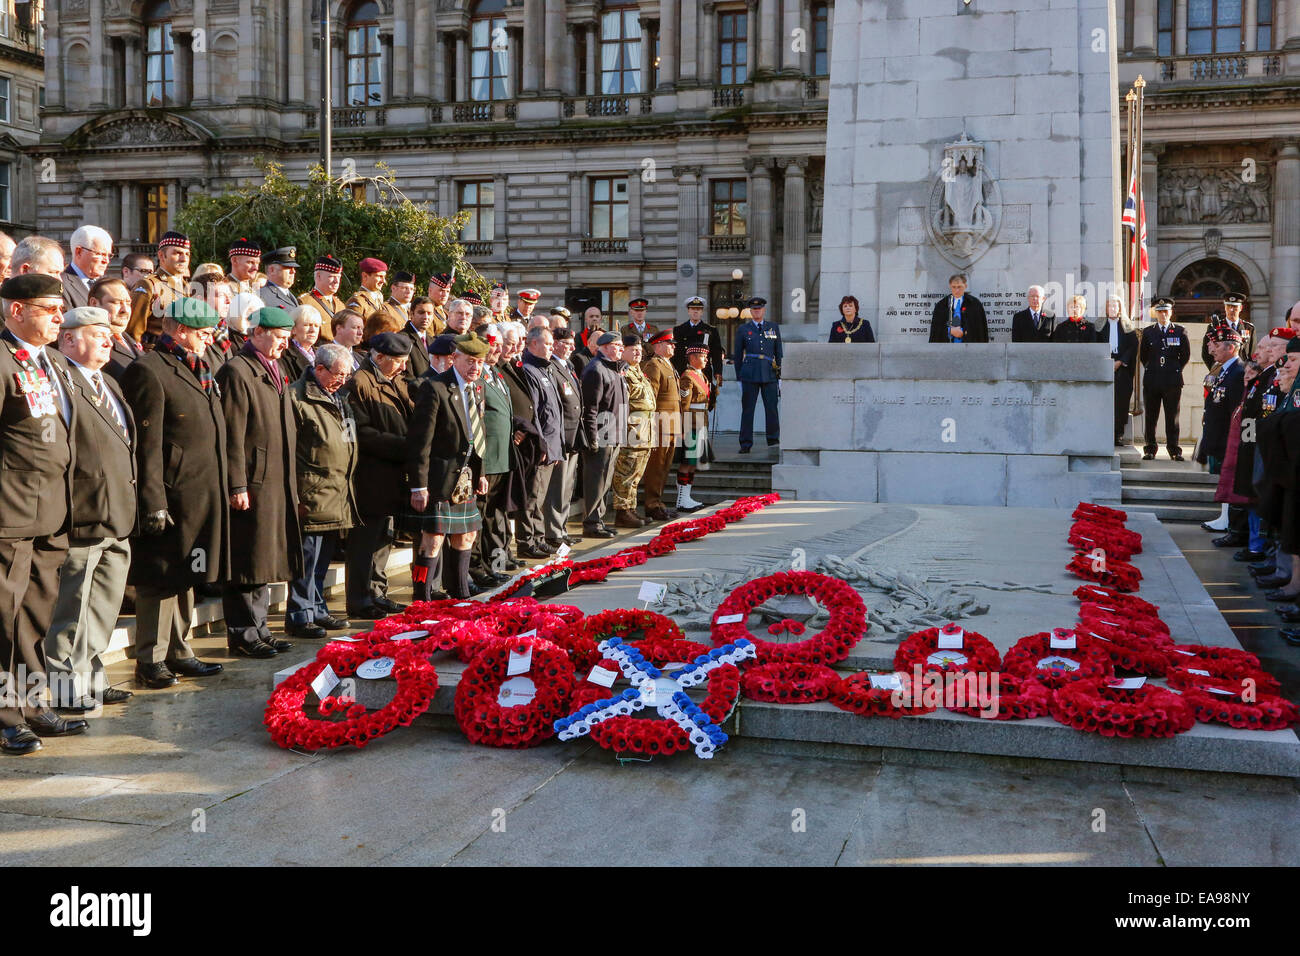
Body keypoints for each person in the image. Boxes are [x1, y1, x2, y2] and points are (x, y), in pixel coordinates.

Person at [120, 297, 229, 688]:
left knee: (184, 574)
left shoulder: (199, 365)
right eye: (201, 333)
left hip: (199, 489)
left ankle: (179, 651)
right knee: (159, 578)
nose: (207, 340)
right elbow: (147, 443)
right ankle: (151, 658)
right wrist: (153, 500)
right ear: (180, 331)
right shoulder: (150, 369)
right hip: (169, 490)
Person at [0, 273, 87, 753]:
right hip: (9, 516)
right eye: (50, 308)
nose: (60, 316)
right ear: (17, 310)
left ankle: (34, 705)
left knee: (34, 618)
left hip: (52, 514)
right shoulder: (1, 360)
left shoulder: (52, 360)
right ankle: (7, 717)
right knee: (4, 621)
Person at [45, 307, 137, 711]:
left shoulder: (109, 383)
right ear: (67, 339)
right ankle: (66, 687)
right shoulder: (60, 382)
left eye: (108, 333)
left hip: (118, 512)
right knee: (72, 608)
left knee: (103, 606)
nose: (107, 339)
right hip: (84, 513)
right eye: (96, 333)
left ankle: (93, 678)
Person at [217, 306, 303, 658]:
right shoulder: (238, 371)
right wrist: (237, 484)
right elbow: (232, 433)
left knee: (264, 558)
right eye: (279, 338)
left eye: (286, 339)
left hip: (276, 479)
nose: (284, 345)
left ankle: (261, 628)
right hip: (252, 480)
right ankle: (242, 633)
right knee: (246, 558)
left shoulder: (274, 366)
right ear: (258, 334)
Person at [405, 332, 493, 601]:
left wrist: (481, 473)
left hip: (466, 479)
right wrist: (418, 486)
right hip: (438, 480)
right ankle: (422, 597)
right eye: (469, 361)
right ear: (454, 359)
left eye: (479, 362)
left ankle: (459, 594)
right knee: (432, 542)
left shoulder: (479, 388)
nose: (475, 368)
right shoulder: (435, 388)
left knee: (466, 536)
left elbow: (479, 434)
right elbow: (420, 442)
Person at [287, 343, 358, 639]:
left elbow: (349, 434)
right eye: (338, 374)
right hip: (312, 489)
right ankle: (299, 615)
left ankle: (317, 609)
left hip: (338, 489)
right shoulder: (297, 396)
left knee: (322, 557)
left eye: (346, 374)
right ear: (319, 369)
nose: (343, 379)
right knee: (307, 557)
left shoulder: (339, 395)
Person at [342, 332, 412, 619]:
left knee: (385, 538)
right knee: (364, 543)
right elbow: (362, 432)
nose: (403, 368)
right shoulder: (359, 383)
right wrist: (404, 446)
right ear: (379, 357)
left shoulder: (394, 380)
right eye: (398, 361)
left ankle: (377, 592)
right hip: (370, 476)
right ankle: (359, 599)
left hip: (393, 475)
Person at [472, 325, 517, 586]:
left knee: (493, 516)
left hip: (502, 457)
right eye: (492, 342)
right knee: (480, 517)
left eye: (500, 343)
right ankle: (477, 566)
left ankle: (490, 564)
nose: (498, 348)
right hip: (486, 459)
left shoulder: (497, 374)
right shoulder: (477, 378)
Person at [1198, 325, 1248, 547]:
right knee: (1223, 476)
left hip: (1228, 435)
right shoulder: (1223, 369)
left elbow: (1236, 409)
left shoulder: (1238, 371)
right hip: (1218, 433)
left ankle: (1228, 519)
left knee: (1230, 478)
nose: (1212, 349)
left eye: (1217, 345)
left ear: (1231, 347)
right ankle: (1224, 517)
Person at [519, 326, 566, 548]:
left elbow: (554, 411)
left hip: (552, 444)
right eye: (547, 344)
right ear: (533, 344)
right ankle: (529, 541)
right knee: (533, 497)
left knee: (541, 495)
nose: (552, 348)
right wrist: (542, 445)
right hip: (541, 446)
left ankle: (538, 538)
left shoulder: (545, 369)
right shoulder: (529, 370)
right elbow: (534, 412)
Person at [580, 331, 628, 538]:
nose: (621, 350)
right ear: (606, 347)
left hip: (614, 433)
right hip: (601, 434)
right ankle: (591, 523)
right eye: (618, 346)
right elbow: (590, 408)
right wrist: (592, 438)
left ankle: (598, 519)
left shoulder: (613, 369)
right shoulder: (596, 369)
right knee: (596, 480)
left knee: (605, 480)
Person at [544, 327, 583, 547]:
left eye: (572, 344)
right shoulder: (551, 366)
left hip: (572, 434)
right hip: (560, 435)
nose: (571, 348)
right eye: (567, 344)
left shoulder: (567, 365)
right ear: (556, 343)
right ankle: (553, 531)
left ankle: (562, 527)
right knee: (557, 487)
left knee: (568, 486)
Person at [1139, 297, 1191, 461]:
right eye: (1160, 311)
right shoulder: (1148, 332)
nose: (1163, 314)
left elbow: (1185, 355)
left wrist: (1174, 370)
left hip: (1172, 381)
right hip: (1153, 379)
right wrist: (1154, 367)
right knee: (1151, 416)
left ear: (1171, 312)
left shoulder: (1180, 331)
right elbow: (1143, 356)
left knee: (1172, 417)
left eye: (1166, 311)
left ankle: (1174, 449)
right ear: (1155, 313)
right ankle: (1150, 448)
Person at [612, 335, 656, 527]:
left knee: (636, 475)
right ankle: (622, 512)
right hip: (631, 432)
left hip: (644, 431)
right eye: (633, 349)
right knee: (625, 473)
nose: (638, 352)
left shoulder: (640, 372)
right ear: (623, 351)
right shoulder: (622, 372)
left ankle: (631, 509)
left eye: (640, 349)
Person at [641, 329, 681, 522]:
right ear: (658, 345)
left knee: (664, 467)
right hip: (660, 425)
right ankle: (651, 505)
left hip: (671, 425)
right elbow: (651, 398)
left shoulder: (667, 364)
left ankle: (659, 503)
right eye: (669, 343)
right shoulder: (654, 365)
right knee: (656, 467)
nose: (673, 346)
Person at [734, 296, 782, 452]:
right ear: (750, 311)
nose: (757, 311)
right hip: (749, 373)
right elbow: (737, 354)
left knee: (772, 409)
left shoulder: (773, 327)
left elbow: (778, 352)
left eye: (759, 308)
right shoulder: (743, 329)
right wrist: (739, 377)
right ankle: (745, 443)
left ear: (764, 310)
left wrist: (780, 375)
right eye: (754, 309)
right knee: (748, 410)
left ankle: (773, 440)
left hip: (769, 372)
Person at [127, 231, 189, 347]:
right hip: (154, 355)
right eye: (177, 253)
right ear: (161, 255)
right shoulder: (148, 285)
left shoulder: (188, 288)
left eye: (187, 254)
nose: (184, 259)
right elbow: (134, 332)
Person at [677, 345, 713, 512]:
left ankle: (687, 496)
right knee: (687, 461)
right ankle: (682, 499)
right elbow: (684, 404)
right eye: (702, 356)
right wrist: (683, 427)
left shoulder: (702, 376)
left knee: (694, 462)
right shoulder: (687, 377)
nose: (706, 359)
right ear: (692, 358)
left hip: (701, 421)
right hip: (691, 422)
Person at [672, 295, 725, 404]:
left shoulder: (711, 331)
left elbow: (716, 352)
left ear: (702, 312)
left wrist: (718, 372)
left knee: (703, 401)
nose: (695, 312)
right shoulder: (678, 330)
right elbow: (674, 353)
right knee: (685, 402)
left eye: (698, 309)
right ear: (688, 311)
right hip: (684, 370)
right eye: (693, 309)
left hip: (703, 371)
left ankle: (702, 421)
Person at [1103, 295, 1139, 446]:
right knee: (1104, 402)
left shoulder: (1127, 326)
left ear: (1119, 308)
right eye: (1109, 306)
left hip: (1122, 367)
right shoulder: (1099, 326)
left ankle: (1118, 434)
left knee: (1121, 402)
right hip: (1103, 365)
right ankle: (1103, 433)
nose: (1112, 309)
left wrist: (1120, 361)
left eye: (1115, 306)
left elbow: (1133, 346)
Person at [90, 277, 141, 381]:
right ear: (94, 303)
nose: (125, 310)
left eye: (128, 303)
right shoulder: (91, 343)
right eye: (117, 302)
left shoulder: (128, 339)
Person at [62, 225, 114, 311]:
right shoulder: (62, 284)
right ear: (79, 252)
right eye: (100, 254)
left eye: (109, 255)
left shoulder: (107, 285)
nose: (106, 261)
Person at [928, 273, 989, 343]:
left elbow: (980, 329)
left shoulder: (975, 304)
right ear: (950, 286)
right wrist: (949, 330)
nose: (957, 290)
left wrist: (965, 331)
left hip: (969, 346)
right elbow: (936, 329)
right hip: (946, 347)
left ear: (965, 286)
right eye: (954, 287)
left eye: (959, 287)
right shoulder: (941, 305)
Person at [298, 254, 345, 339]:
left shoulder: (340, 305)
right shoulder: (305, 302)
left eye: (339, 277)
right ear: (318, 276)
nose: (336, 281)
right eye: (332, 277)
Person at [1202, 293, 1254, 367]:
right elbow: (1206, 352)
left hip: (1242, 370)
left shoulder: (1249, 328)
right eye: (1228, 306)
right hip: (1221, 369)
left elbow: (1251, 353)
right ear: (1225, 307)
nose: (1231, 310)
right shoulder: (1214, 327)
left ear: (1241, 308)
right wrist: (1215, 368)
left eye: (1235, 307)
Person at [280, 304, 321, 383]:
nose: (313, 330)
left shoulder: (320, 354)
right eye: (307, 325)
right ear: (293, 329)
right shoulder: (283, 354)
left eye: (316, 326)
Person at [402, 295, 438, 381]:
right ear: (411, 314)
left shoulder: (433, 341)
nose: (426, 317)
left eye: (429, 313)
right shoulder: (402, 339)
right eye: (421, 312)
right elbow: (406, 377)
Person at [347, 257, 388, 324]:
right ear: (365, 276)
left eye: (384, 277)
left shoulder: (379, 296)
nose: (383, 281)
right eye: (379, 276)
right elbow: (353, 328)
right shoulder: (357, 300)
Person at [259, 247, 300, 312]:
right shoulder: (261, 296)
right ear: (272, 270)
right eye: (288, 267)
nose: (293, 271)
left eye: (294, 268)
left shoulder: (290, 296)